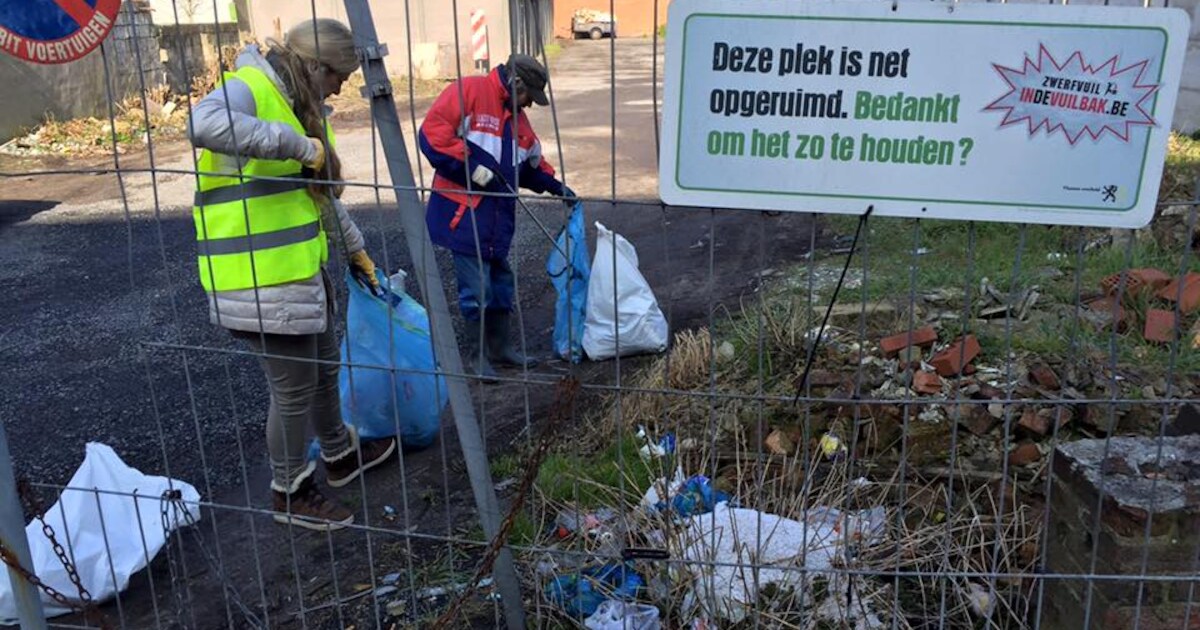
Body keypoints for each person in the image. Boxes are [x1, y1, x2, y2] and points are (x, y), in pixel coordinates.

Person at [188, 18, 395, 531]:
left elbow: (317, 195)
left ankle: (340, 455)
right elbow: (202, 123)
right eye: (338, 76)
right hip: (255, 276)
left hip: (296, 272)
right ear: (316, 66)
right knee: (293, 389)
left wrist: (355, 252)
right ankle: (290, 490)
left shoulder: (294, 103)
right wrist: (299, 146)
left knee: (324, 370)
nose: (341, 87)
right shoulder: (251, 87)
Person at [419, 54, 574, 378]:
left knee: (501, 283)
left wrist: (556, 187)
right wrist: (471, 170)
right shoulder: (470, 91)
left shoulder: (517, 119)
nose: (529, 105)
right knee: (477, 290)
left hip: (497, 216)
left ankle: (501, 349)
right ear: (517, 83)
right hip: (464, 212)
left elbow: (530, 165)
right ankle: (478, 359)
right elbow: (432, 136)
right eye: (528, 96)